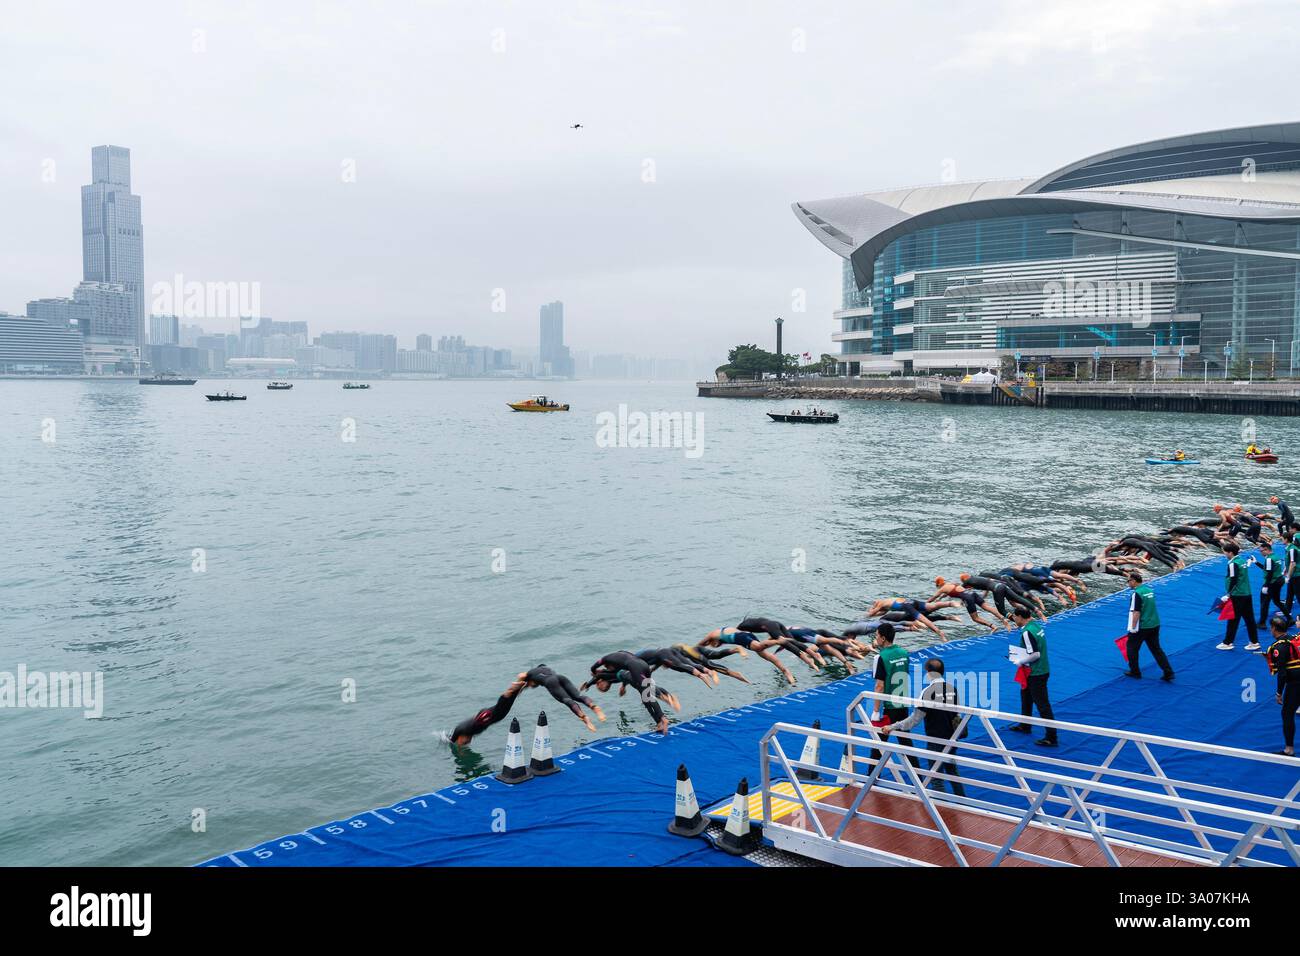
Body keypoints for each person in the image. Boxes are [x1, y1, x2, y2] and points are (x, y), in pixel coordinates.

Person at [881, 657, 966, 796]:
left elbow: (914, 720)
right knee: (952, 773)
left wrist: (892, 726)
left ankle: (941, 810)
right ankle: (964, 803)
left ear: (930, 673)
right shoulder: (953, 689)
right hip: (952, 737)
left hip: (935, 739)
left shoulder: (927, 692)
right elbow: (957, 714)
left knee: (936, 778)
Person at [582, 651, 680, 734]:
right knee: (647, 700)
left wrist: (588, 684)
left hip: (636, 672)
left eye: (601, 687)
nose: (603, 688)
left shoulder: (607, 673)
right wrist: (623, 686)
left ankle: (665, 705)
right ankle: (659, 722)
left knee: (649, 693)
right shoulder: (614, 672)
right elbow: (623, 668)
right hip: (641, 669)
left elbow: (597, 675)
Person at [867, 622, 918, 767]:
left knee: (878, 743)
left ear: (883, 638)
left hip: (889, 706)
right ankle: (919, 778)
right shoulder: (903, 653)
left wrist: (876, 711)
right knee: (906, 743)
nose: (875, 638)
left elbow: (879, 685)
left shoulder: (880, 657)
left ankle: (871, 777)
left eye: (877, 636)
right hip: (903, 702)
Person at [1007, 605, 1057, 747]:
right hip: (1041, 669)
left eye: (1015, 617)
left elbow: (1035, 654)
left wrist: (1019, 661)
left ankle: (1051, 737)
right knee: (1026, 697)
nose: (1014, 620)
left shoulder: (1027, 633)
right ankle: (1025, 725)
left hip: (1036, 672)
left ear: (1020, 617)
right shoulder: (1035, 625)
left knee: (1042, 705)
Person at [445, 673, 528, 746]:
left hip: (487, 715)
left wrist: (458, 748)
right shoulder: (468, 731)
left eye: (464, 743)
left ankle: (513, 687)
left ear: (460, 737)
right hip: (488, 715)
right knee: (508, 703)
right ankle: (521, 681)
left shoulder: (465, 729)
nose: (468, 743)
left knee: (501, 707)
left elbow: (458, 735)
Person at [524, 665, 606, 731]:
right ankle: (594, 707)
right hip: (561, 677)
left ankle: (585, 719)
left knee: (567, 700)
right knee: (577, 696)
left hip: (550, 682)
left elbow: (522, 676)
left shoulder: (530, 674)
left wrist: (518, 689)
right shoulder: (546, 669)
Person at [1124, 571, 1174, 681]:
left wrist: (1132, 627)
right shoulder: (1149, 590)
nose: (1128, 583)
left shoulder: (1136, 594)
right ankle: (1168, 671)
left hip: (1143, 626)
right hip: (1154, 624)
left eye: (1128, 581)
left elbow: (1136, 612)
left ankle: (1135, 671)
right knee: (1156, 649)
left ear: (1133, 581)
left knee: (1131, 648)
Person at [1265, 614, 1300, 757]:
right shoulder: (1294, 639)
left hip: (1296, 682)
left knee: (1287, 713)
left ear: (1274, 629)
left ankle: (1289, 749)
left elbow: (1282, 674)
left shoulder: (1278, 647)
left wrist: (1279, 693)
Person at [1217, 540, 1262, 651]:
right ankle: (1254, 642)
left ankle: (1228, 642)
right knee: (1249, 619)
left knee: (1233, 619)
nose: (1225, 554)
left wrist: (1228, 594)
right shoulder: (1241, 560)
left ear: (1230, 553)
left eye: (1225, 552)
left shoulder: (1233, 564)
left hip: (1237, 595)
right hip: (1247, 593)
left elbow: (1233, 579)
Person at [1258, 543, 1287, 625]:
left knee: (1264, 603)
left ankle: (1262, 623)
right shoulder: (1275, 556)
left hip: (1272, 583)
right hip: (1279, 580)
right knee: (1277, 601)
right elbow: (1267, 568)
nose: (1261, 553)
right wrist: (1256, 562)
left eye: (1261, 551)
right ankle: (1289, 618)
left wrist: (1266, 586)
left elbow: (1269, 573)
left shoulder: (1269, 559)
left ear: (1266, 549)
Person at [1285, 530, 1300, 614]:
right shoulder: (1289, 548)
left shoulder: (1292, 549)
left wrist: (1288, 576)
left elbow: (1293, 563)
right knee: (1289, 594)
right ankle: (1287, 612)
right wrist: (1285, 569)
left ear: (1286, 539)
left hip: (1296, 575)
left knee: (1298, 595)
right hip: (1293, 575)